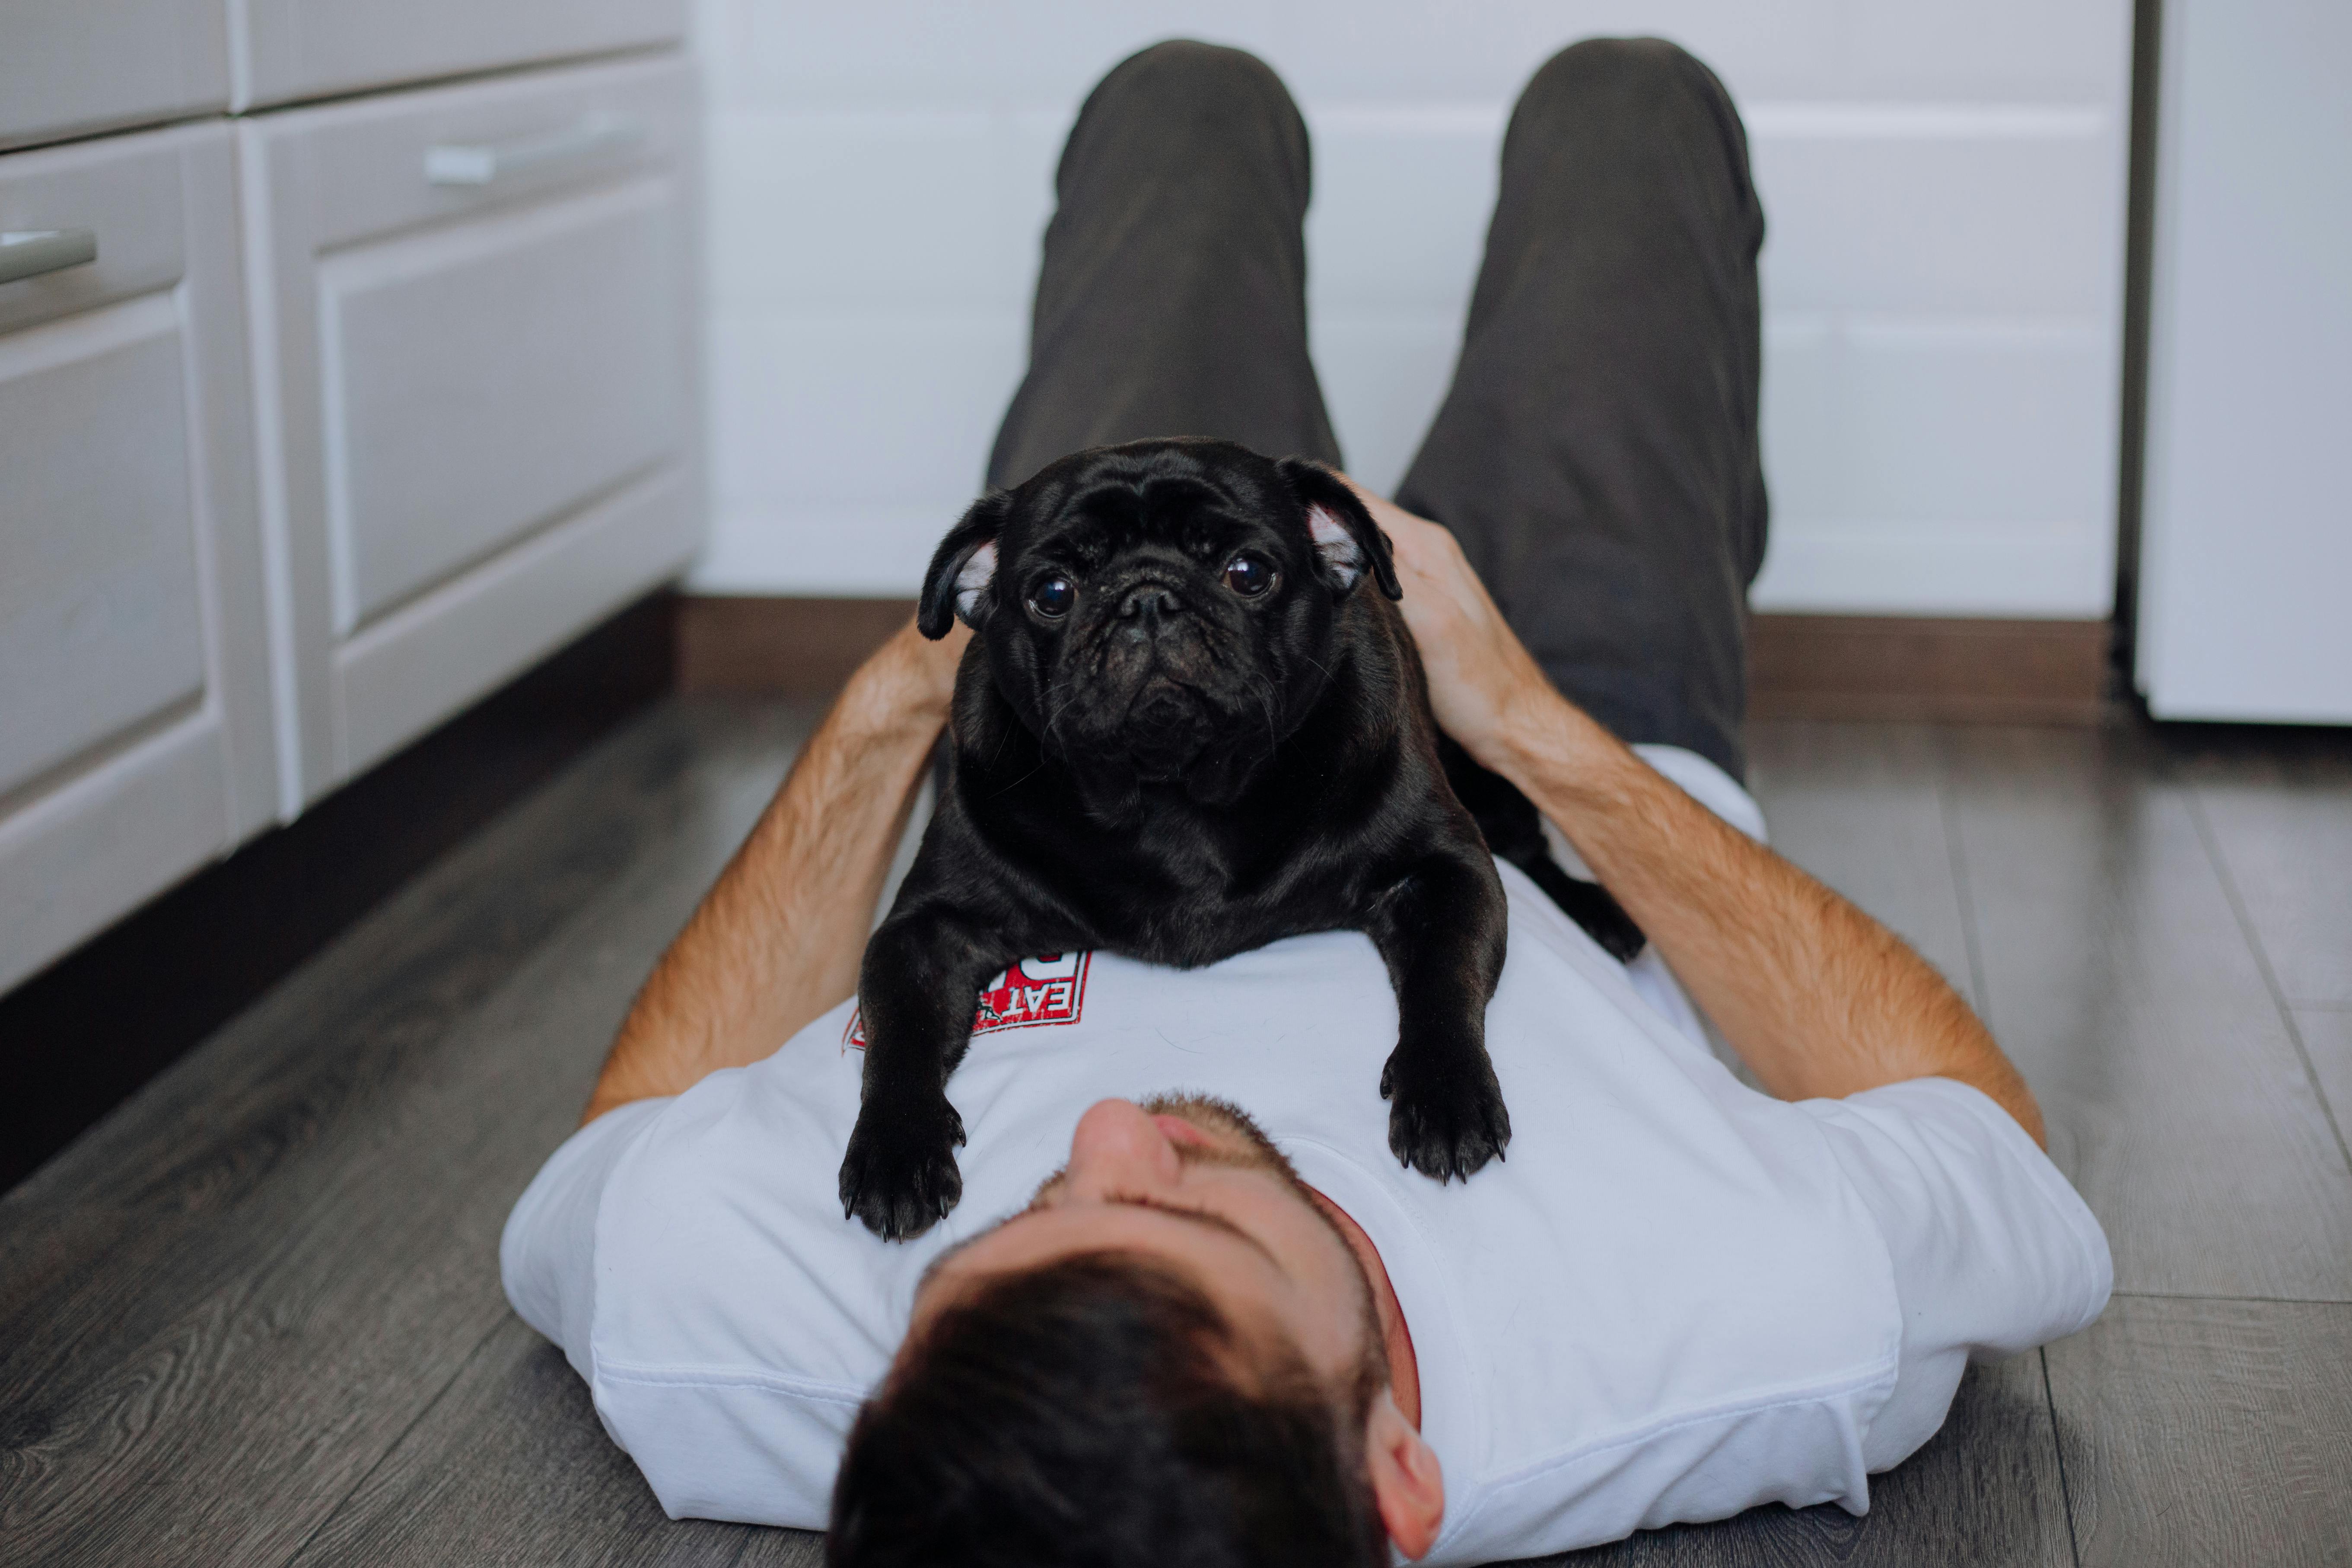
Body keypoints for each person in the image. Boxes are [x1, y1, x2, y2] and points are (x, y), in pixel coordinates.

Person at [501, 37, 2110, 1567]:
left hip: (1077, 720)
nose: (1118, 1130)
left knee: (1180, 103)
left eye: (1004, 1230)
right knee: (1630, 108)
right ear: (1398, 1473)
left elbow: (630, 1144)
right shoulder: (1767, 1323)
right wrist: (1537, 735)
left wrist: (920, 691)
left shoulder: (722, 1344)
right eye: (1196, 1224)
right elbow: (1988, 1142)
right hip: (1570, 766)